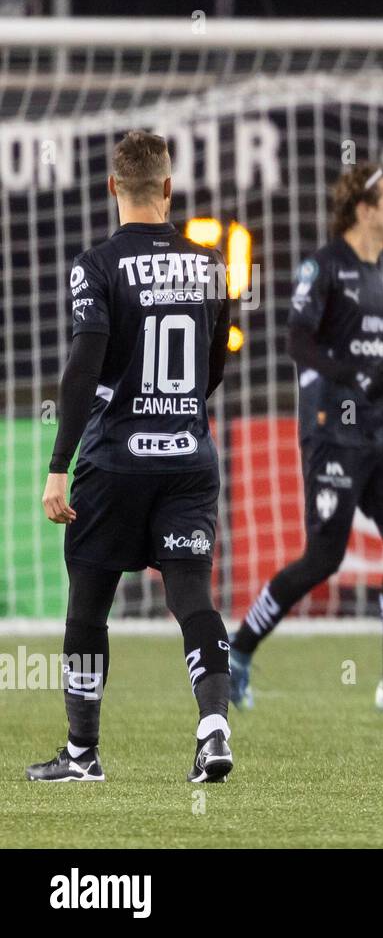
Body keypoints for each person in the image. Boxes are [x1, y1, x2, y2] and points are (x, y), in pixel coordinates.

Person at [30, 129, 234, 783]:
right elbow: (215, 367)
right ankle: (213, 729)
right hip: (188, 460)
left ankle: (83, 755)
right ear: (169, 188)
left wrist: (60, 463)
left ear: (112, 187)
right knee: (192, 597)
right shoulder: (212, 265)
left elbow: (82, 365)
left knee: (89, 605)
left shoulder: (95, 266)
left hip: (115, 463)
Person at [228, 163, 383, 712]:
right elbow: (297, 343)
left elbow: (376, 357)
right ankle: (239, 650)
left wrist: (379, 379)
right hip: (334, 431)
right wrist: (353, 375)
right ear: (365, 208)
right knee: (325, 557)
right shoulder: (323, 267)